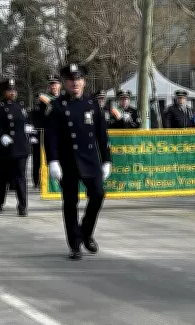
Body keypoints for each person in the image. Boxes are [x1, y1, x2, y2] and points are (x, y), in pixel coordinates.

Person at [45, 63, 111, 260]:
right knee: (71, 202)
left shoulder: (92, 104)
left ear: (84, 81)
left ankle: (86, 232)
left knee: (98, 194)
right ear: (65, 82)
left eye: (79, 79)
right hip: (69, 161)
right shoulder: (56, 106)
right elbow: (50, 137)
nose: (75, 82)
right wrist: (53, 161)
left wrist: (107, 160)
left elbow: (102, 135)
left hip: (90, 159)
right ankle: (74, 244)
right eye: (71, 79)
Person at [0, 78, 32, 216]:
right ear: (4, 92)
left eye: (14, 90)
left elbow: (28, 120)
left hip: (20, 146)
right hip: (4, 148)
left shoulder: (21, 106)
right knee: (3, 176)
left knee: (20, 176)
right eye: (9, 90)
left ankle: (22, 206)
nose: (12, 93)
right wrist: (1, 135)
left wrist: (29, 128)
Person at [31, 75, 62, 188]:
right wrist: (34, 133)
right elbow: (36, 116)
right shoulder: (42, 99)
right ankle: (38, 180)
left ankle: (56, 180)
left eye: (55, 84)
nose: (53, 86)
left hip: (58, 133)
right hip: (43, 133)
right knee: (39, 158)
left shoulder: (63, 98)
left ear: (60, 85)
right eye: (51, 84)